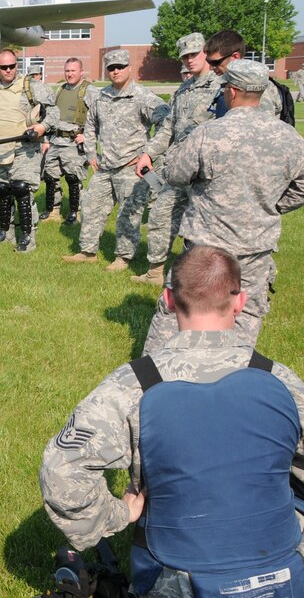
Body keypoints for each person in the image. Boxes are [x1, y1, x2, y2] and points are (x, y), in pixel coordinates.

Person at [40, 246, 304, 598]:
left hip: (177, 575)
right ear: (240, 302)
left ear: (167, 299)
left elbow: (61, 471)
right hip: (284, 569)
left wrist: (117, 515)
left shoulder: (134, 385)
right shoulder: (283, 382)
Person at [141, 59, 304, 355]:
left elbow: (175, 174)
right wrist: (271, 206)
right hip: (256, 245)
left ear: (231, 90)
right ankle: (232, 380)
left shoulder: (209, 133)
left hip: (206, 247)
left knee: (175, 310)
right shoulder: (290, 137)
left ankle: (154, 379)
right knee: (245, 314)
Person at [62, 49, 167, 270]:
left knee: (128, 213)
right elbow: (90, 126)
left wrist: (148, 154)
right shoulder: (101, 96)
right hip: (105, 167)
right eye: (111, 68)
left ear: (130, 67)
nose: (116, 71)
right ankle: (87, 251)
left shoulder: (144, 97)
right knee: (91, 207)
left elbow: (167, 124)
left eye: (120, 66)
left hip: (131, 168)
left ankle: (123, 257)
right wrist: (91, 154)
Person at [131, 34, 220, 286]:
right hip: (179, 168)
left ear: (206, 52)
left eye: (194, 54)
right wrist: (148, 153)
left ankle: (198, 278)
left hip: (207, 171)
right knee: (160, 216)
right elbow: (168, 127)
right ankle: (154, 272)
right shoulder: (184, 89)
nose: (189, 60)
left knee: (201, 227)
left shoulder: (221, 86)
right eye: (185, 56)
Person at [0, 49, 59, 252]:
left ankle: (28, 237)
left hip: (24, 148)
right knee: (1, 190)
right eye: (3, 67)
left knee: (21, 189)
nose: (8, 70)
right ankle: (5, 233)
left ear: (16, 65)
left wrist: (42, 128)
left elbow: (54, 112)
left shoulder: (31, 86)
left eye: (12, 66)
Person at [41, 58, 96, 225]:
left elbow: (102, 117)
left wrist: (88, 136)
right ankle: (53, 210)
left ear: (81, 72)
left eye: (73, 71)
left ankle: (75, 212)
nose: (70, 74)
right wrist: (46, 140)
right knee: (50, 177)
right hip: (55, 140)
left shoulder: (90, 91)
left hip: (73, 143)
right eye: (67, 71)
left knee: (73, 178)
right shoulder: (60, 89)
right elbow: (49, 116)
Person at [204, 29, 283, 118]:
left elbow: (258, 128)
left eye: (215, 62)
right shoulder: (226, 84)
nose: (211, 67)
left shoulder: (254, 87)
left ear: (235, 57)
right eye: (208, 62)